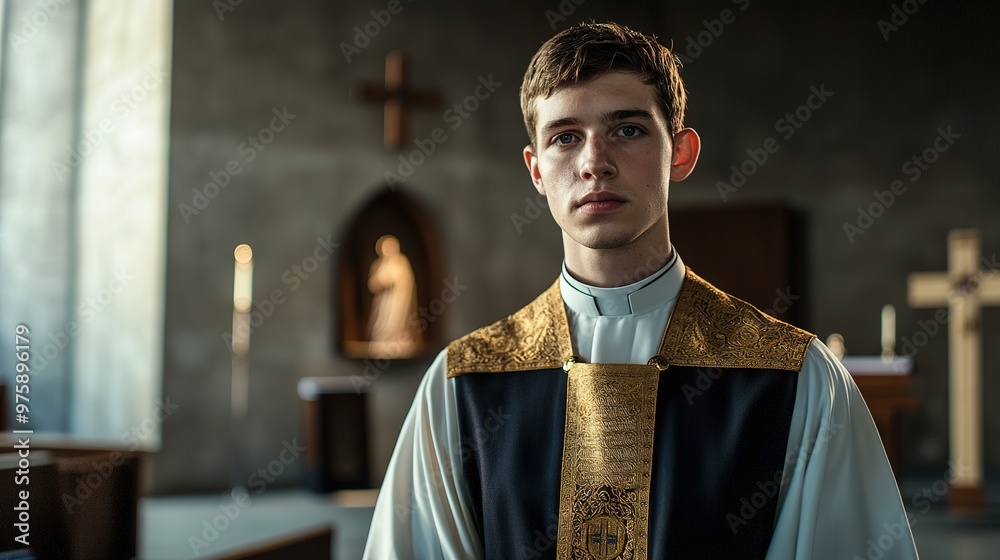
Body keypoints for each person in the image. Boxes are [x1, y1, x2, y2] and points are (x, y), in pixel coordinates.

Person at [363, 22, 919, 560]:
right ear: (536, 170)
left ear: (680, 153)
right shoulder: (463, 385)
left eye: (627, 130)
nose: (594, 164)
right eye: (565, 137)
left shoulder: (794, 378)